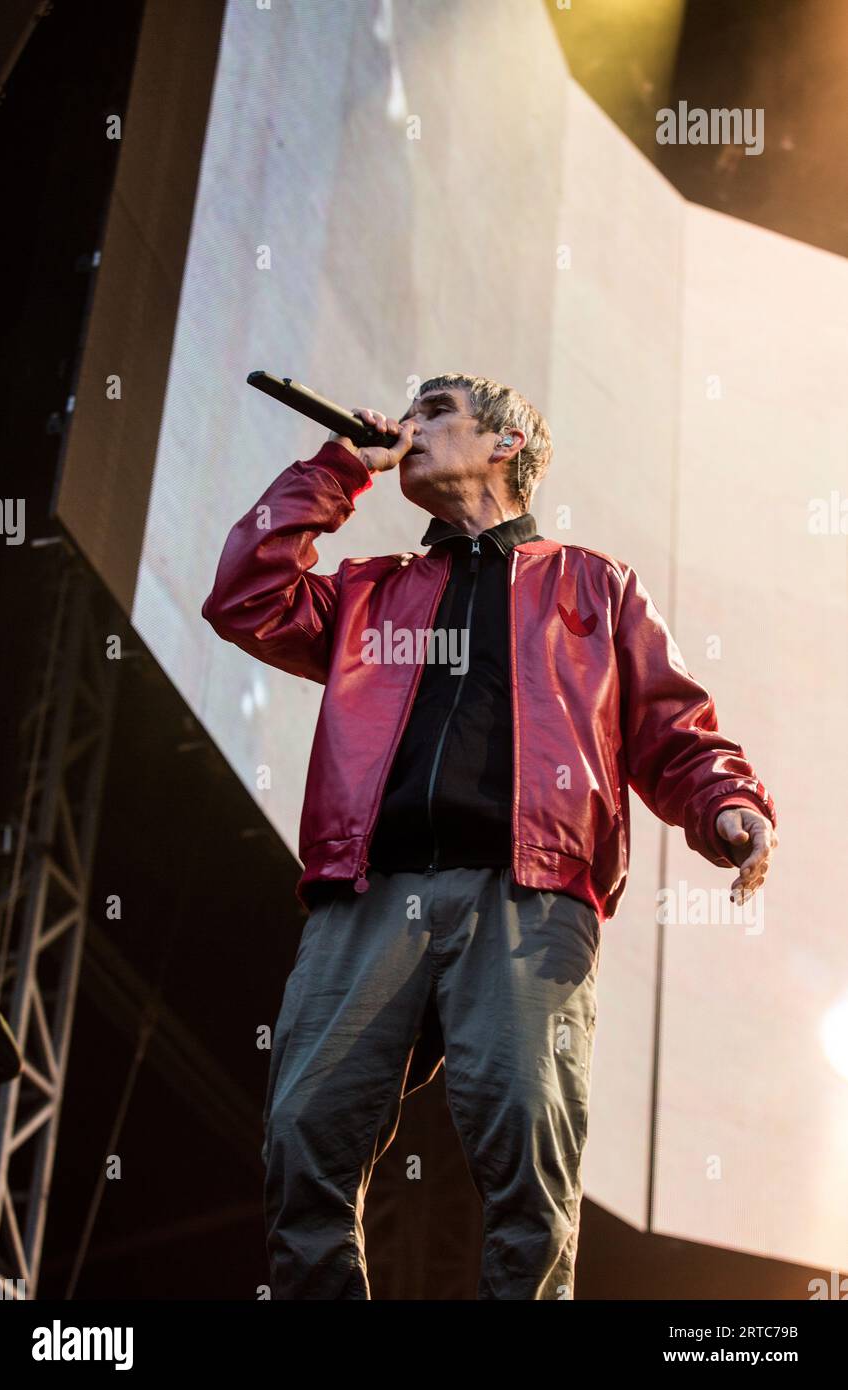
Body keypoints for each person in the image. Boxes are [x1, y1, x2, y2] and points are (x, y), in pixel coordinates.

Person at [201, 372, 778, 1299]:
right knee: (304, 1142)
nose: (408, 425)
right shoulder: (371, 594)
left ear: (506, 445)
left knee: (531, 1168)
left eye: (435, 413)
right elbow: (245, 595)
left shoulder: (592, 586)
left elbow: (673, 727)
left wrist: (728, 807)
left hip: (531, 899)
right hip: (371, 894)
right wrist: (338, 470)